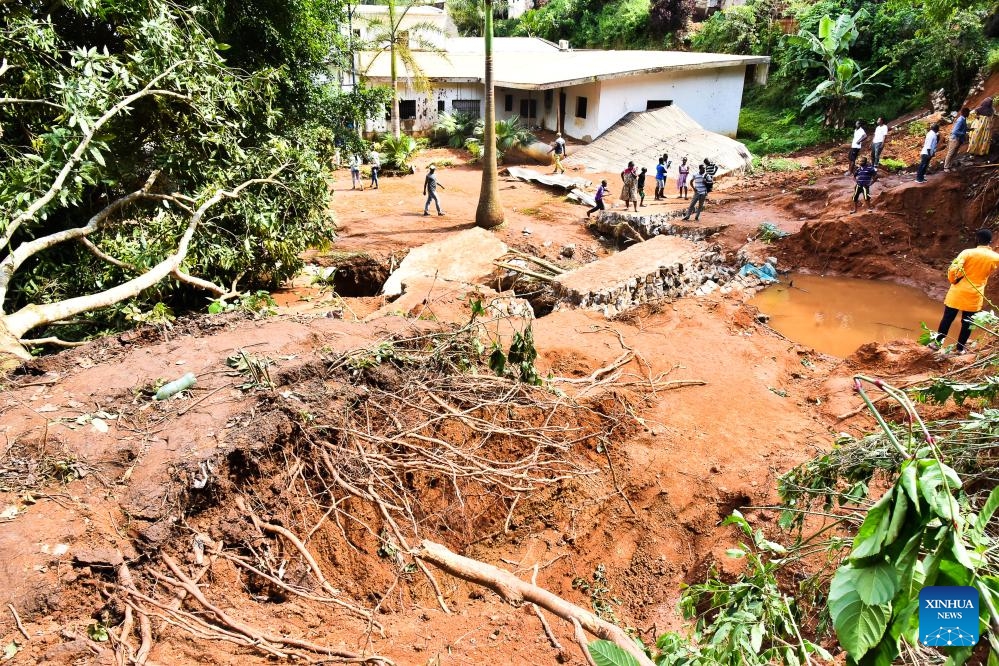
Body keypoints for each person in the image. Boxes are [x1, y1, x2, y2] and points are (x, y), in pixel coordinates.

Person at [928, 228, 999, 353]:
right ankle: (960, 348)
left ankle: (937, 344)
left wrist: (953, 280)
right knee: (968, 322)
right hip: (975, 294)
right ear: (990, 242)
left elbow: (954, 268)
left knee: (947, 318)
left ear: (977, 239)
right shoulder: (995, 257)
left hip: (958, 292)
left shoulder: (967, 253)